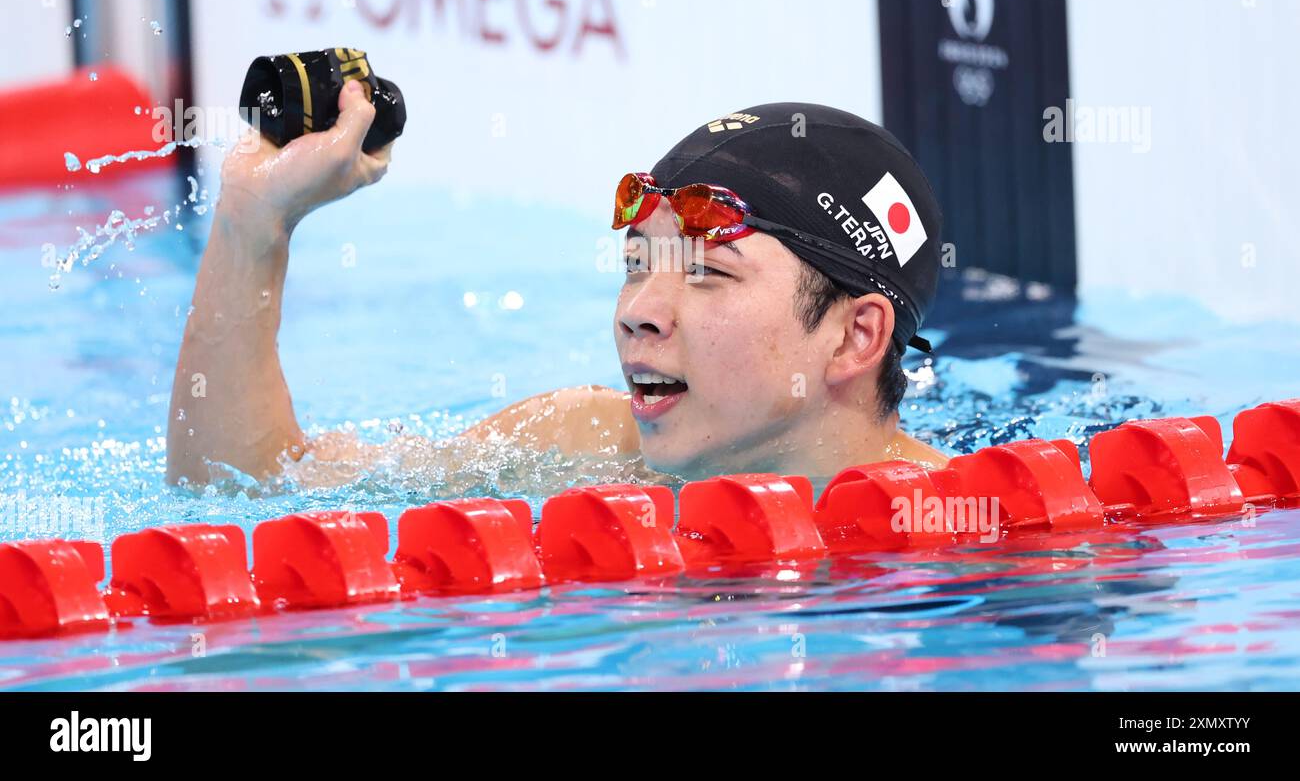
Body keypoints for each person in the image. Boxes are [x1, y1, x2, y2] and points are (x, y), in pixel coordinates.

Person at [166, 81, 947, 487]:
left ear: (856, 335)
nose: (636, 313)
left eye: (705, 272)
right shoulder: (577, 447)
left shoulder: (982, 528)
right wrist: (252, 223)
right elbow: (244, 491)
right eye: (635, 265)